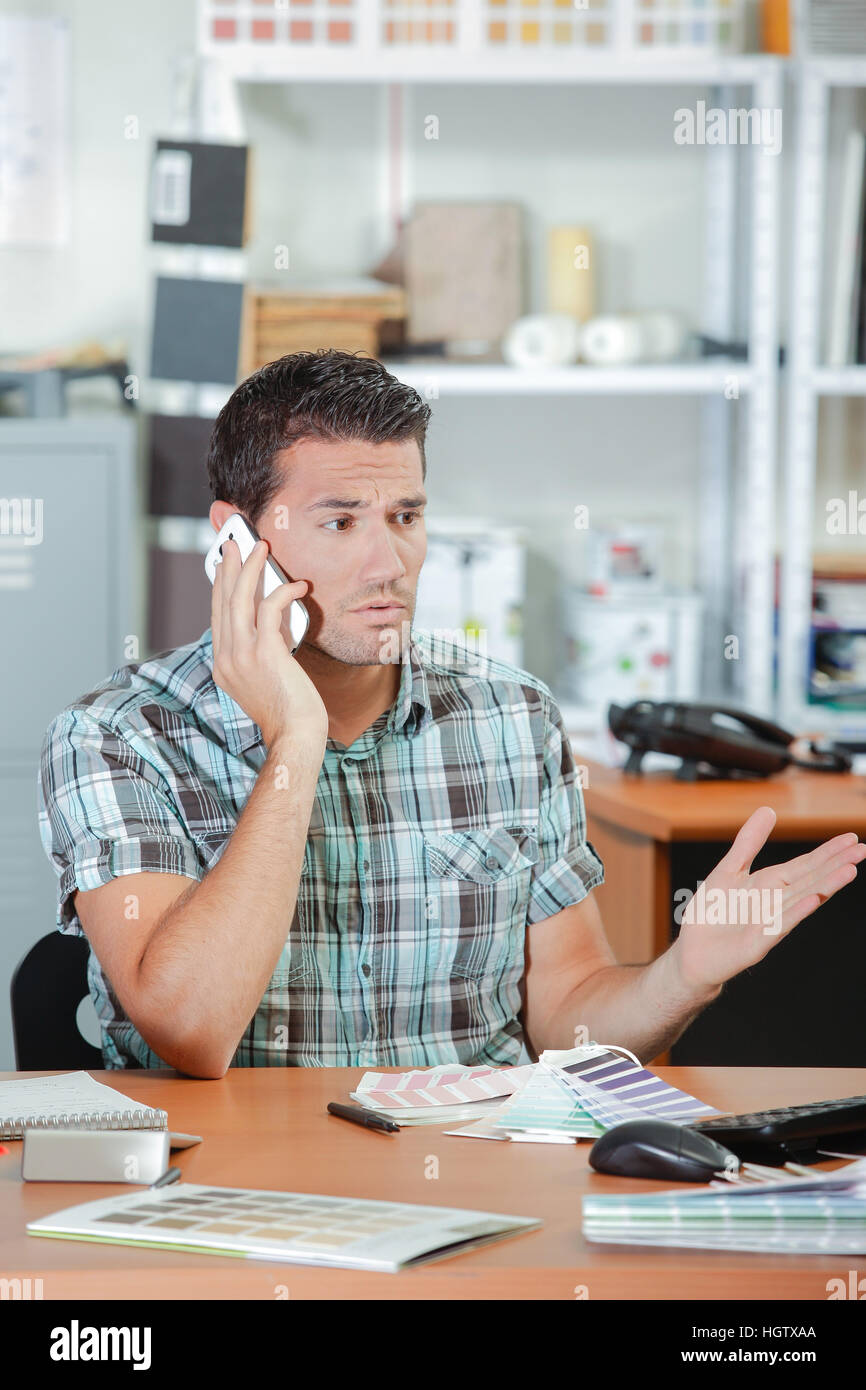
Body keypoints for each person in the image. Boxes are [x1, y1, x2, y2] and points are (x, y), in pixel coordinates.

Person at [37, 349, 866, 1075]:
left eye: (406, 516)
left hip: (476, 1191)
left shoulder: (511, 714)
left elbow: (563, 1014)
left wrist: (684, 974)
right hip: (231, 1198)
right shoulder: (118, 736)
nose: (388, 560)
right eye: (339, 521)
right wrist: (296, 738)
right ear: (234, 542)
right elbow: (190, 1028)